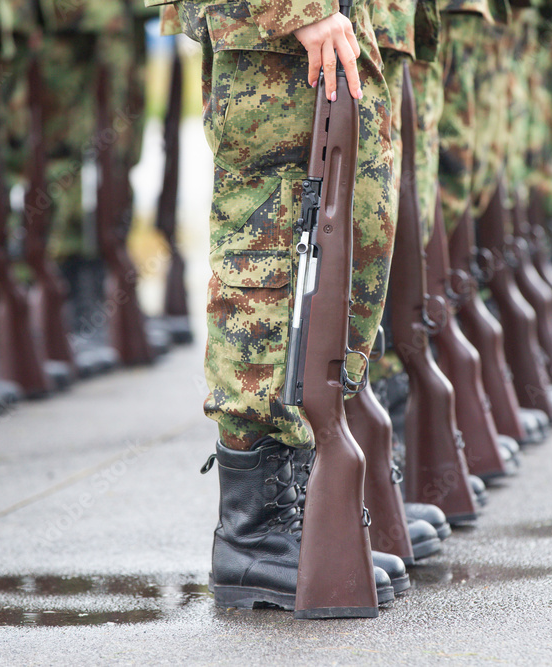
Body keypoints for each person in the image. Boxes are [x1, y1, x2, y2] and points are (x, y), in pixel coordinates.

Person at [152, 0, 404, 610]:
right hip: (274, 30)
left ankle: (290, 498)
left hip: (338, 27)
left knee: (342, 260)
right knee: (269, 264)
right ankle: (253, 532)